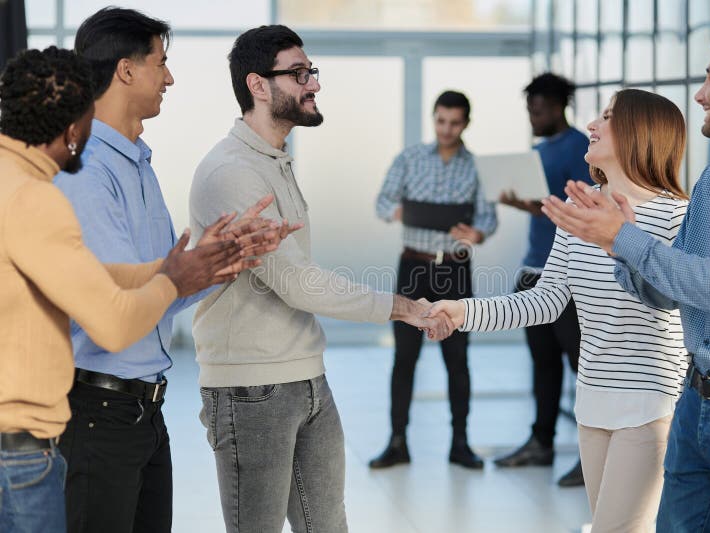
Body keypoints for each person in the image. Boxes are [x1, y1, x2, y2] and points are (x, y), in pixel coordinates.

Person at [188, 25, 450, 533]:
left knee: (328, 526)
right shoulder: (232, 172)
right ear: (258, 85)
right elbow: (297, 283)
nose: (314, 84)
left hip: (307, 377)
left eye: (313, 71)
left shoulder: (274, 161)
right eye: (299, 73)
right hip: (250, 388)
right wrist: (405, 307)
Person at [540, 28, 710, 532]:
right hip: (695, 404)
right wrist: (618, 241)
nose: (700, 95)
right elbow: (664, 290)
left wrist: (628, 241)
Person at [52, 8, 295, 533]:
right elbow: (114, 301)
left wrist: (222, 260)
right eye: (161, 63)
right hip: (98, 410)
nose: (170, 78)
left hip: (143, 411)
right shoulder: (88, 170)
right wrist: (185, 269)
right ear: (125, 70)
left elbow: (164, 288)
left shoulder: (138, 163)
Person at [0, 46, 258, 533]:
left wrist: (190, 268)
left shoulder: (12, 182)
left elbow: (86, 277)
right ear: (74, 124)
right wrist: (174, 277)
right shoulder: (35, 197)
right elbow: (114, 323)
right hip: (23, 448)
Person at [430, 89, 690, 532]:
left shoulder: (677, 217)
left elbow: (672, 298)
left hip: (651, 405)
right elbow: (546, 299)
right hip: (593, 402)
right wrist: (462, 312)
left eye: (607, 117)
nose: (592, 125)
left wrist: (618, 243)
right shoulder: (578, 206)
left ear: (639, 133)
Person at [370, 90, 498, 470]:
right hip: (413, 267)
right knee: (404, 357)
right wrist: (404, 213)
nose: (447, 129)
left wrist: (478, 234)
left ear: (466, 123)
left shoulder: (477, 167)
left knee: (457, 359)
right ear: (433, 118)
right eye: (441, 121)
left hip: (455, 270)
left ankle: (461, 444)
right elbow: (381, 203)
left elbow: (488, 217)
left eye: (455, 122)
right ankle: (397, 443)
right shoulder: (408, 159)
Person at [495, 73, 592, 487]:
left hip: (568, 276)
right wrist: (523, 204)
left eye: (536, 111)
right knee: (543, 363)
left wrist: (534, 205)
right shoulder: (539, 150)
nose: (532, 118)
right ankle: (541, 443)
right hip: (535, 269)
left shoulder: (580, 149)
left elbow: (584, 208)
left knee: (580, 366)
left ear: (555, 108)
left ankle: (591, 457)